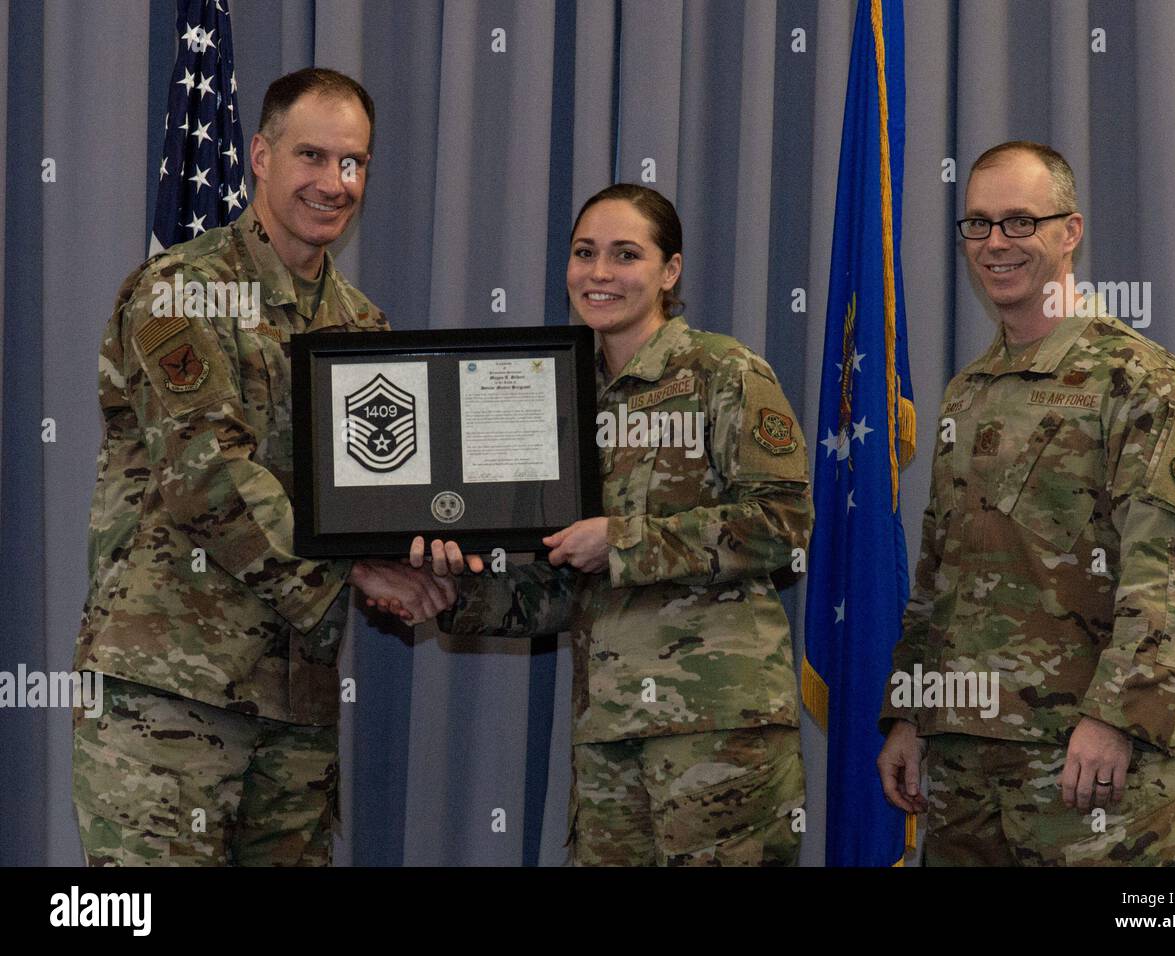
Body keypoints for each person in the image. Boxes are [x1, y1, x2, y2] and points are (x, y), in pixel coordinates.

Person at [72, 68, 449, 866]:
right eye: (312, 155)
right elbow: (207, 476)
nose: (333, 182)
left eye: (353, 163)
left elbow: (380, 501)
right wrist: (357, 574)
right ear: (260, 156)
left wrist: (439, 548)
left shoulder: (363, 326)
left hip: (297, 709)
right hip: (171, 700)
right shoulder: (182, 293)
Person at [399, 184, 812, 865]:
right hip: (606, 732)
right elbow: (559, 581)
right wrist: (450, 592)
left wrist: (621, 541)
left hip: (718, 729)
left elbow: (784, 524)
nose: (599, 273)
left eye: (626, 255)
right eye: (584, 253)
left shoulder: (723, 372)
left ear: (669, 272)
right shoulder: (557, 397)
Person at [875, 141, 1175, 866]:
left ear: (1071, 231)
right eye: (978, 224)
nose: (996, 243)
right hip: (966, 777)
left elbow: (1172, 575)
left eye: (1020, 222)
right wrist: (907, 712)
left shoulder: (1139, 380)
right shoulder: (967, 391)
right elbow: (939, 577)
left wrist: (1115, 719)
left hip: (1087, 776)